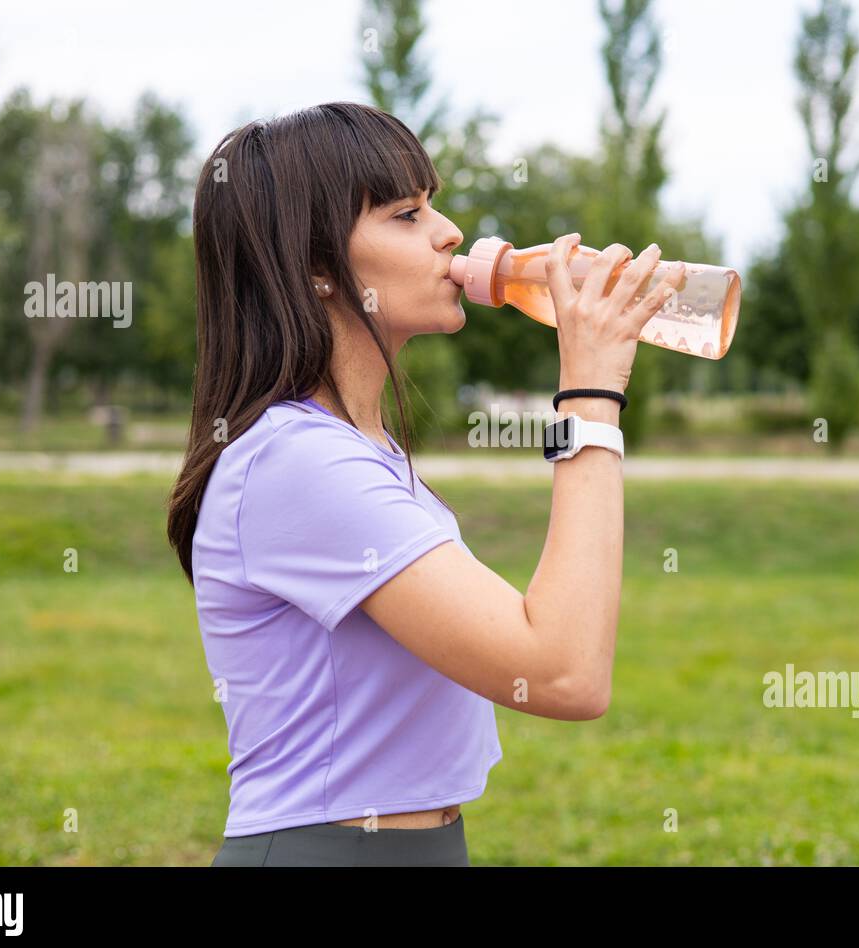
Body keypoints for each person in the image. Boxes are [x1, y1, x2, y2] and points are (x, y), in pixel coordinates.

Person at [166, 102, 686, 866]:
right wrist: (591, 396)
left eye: (433, 205)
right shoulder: (298, 463)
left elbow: (541, 636)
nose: (449, 233)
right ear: (314, 270)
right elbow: (562, 673)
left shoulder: (360, 449)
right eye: (406, 215)